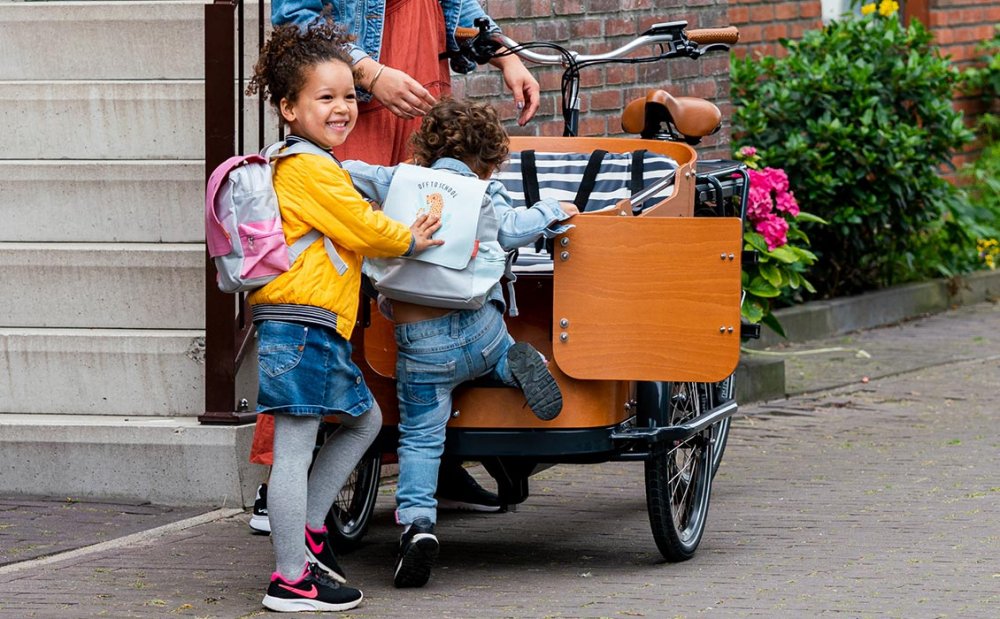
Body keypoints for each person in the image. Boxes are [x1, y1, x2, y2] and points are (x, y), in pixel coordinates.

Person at [248, 0, 538, 524]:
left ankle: (435, 459)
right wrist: (368, 72)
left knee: (438, 280)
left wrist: (504, 51)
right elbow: (295, 15)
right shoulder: (315, 145)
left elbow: (456, 6)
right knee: (359, 280)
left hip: (422, 92)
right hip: (365, 103)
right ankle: (288, 486)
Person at [245, 19, 443, 612]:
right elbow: (362, 228)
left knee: (364, 421)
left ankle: (305, 532)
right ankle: (290, 578)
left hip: (317, 328)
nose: (342, 108)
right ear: (288, 108)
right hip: (298, 327)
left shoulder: (317, 163)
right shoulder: (307, 167)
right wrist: (410, 238)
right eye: (324, 98)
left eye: (348, 97)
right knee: (296, 448)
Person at [344, 98, 579, 588]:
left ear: (425, 146)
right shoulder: (483, 192)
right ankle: (516, 365)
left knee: (421, 438)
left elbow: (347, 172)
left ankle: (417, 527)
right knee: (494, 354)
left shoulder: (397, 180)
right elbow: (516, 232)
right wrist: (555, 208)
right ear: (490, 158)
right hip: (480, 331)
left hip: (420, 346)